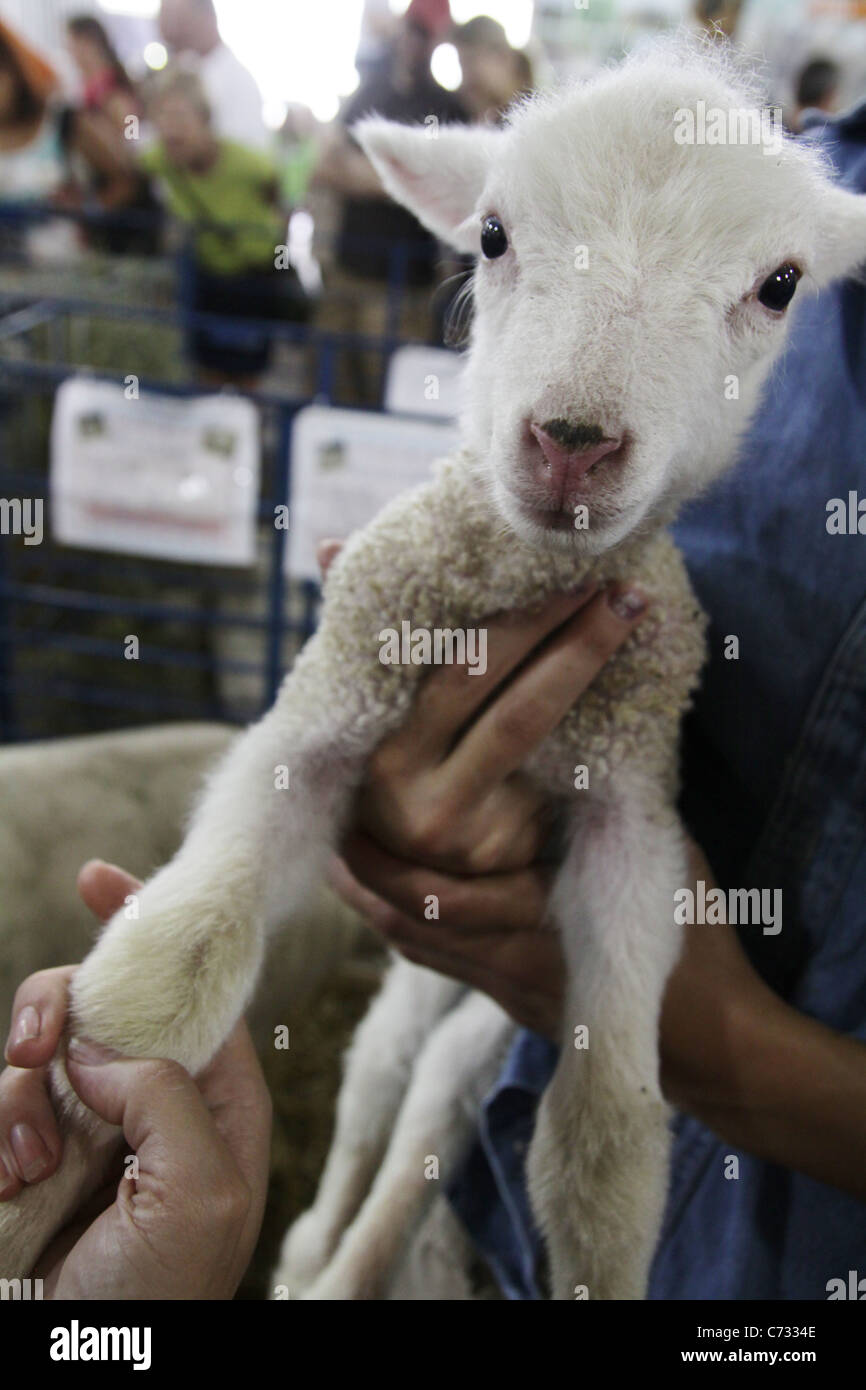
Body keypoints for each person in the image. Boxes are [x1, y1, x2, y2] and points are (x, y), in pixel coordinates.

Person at [3, 77, 866, 1308]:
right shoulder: (420, 554)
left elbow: (628, 811)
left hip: (775, 1260)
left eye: (768, 288)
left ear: (800, 284)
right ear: (472, 225)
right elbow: (307, 749)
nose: (579, 413)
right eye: (505, 237)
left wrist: (721, 1054)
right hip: (481, 1186)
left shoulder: (654, 616)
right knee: (385, 1043)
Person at [312, 0, 468, 403]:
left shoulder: (447, 107)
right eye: (411, 29)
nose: (414, 41)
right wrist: (394, 174)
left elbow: (432, 180)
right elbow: (326, 165)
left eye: (425, 33)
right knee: (334, 390)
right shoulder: (371, 89)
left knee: (386, 394)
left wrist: (374, 174)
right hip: (347, 270)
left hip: (401, 286)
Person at [140, 68, 304, 387]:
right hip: (207, 279)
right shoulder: (162, 160)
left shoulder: (248, 163)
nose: (170, 128)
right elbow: (130, 163)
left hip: (255, 281)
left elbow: (282, 193)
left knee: (248, 377)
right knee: (207, 372)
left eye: (178, 116)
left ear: (204, 119)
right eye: (162, 117)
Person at [158, 0, 268, 152]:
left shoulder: (238, 81)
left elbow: (250, 154)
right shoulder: (179, 70)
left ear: (206, 16)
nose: (169, 29)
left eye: (178, 19)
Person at [453, 15, 533, 125]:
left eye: (470, 61)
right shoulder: (478, 114)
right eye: (461, 65)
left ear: (503, 58)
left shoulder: (533, 120)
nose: (466, 79)